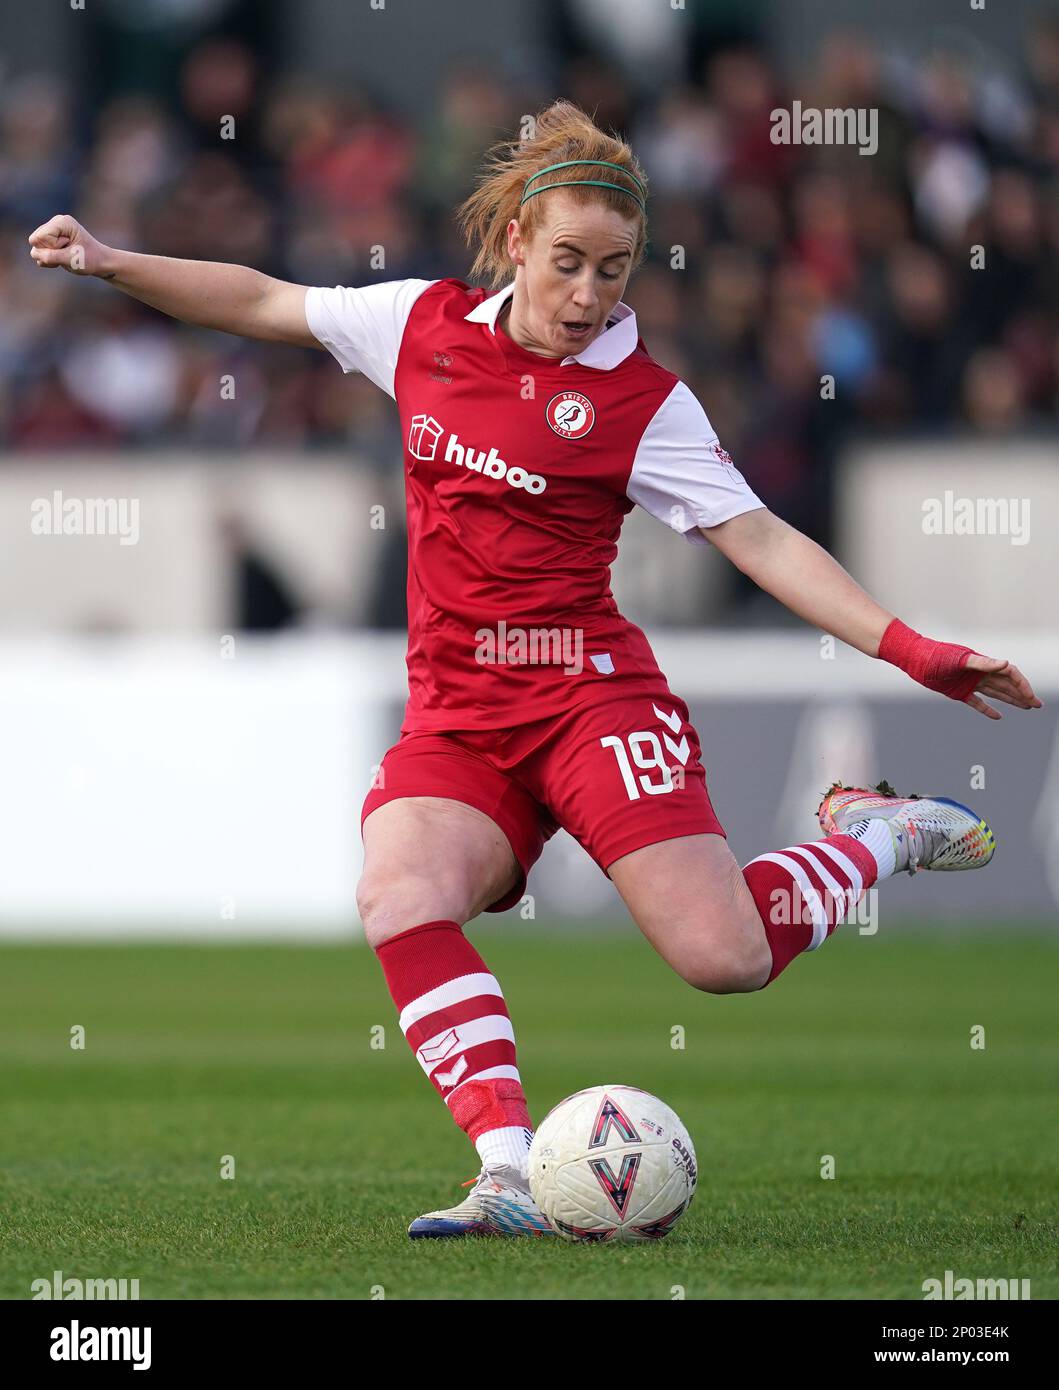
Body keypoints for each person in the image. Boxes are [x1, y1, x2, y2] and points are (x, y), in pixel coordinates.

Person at [30, 100, 1042, 1240]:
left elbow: (759, 538)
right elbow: (264, 300)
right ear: (516, 238)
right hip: (460, 716)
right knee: (399, 892)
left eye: (613, 271)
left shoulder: (643, 401)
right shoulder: (415, 322)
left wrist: (912, 649)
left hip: (588, 698)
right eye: (567, 263)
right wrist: (112, 264)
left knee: (724, 960)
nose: (588, 295)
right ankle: (506, 1169)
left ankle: (874, 832)